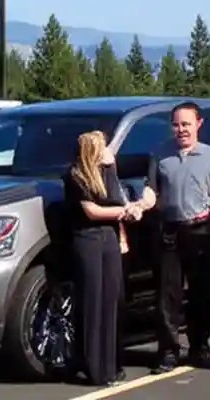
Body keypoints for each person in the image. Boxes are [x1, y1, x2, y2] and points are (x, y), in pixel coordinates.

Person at [144, 101, 210, 373]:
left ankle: (199, 348)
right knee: (167, 297)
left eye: (186, 124)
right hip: (169, 232)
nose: (180, 130)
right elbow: (151, 191)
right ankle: (168, 351)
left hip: (201, 231)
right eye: (176, 124)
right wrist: (141, 203)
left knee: (201, 295)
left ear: (199, 124)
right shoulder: (160, 155)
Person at [64, 130, 141, 387]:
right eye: (101, 147)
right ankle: (93, 366)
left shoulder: (105, 175)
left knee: (111, 300)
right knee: (93, 302)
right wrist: (124, 211)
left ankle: (111, 365)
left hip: (108, 238)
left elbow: (115, 197)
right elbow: (93, 211)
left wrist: (112, 168)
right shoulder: (75, 177)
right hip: (88, 239)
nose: (106, 151)